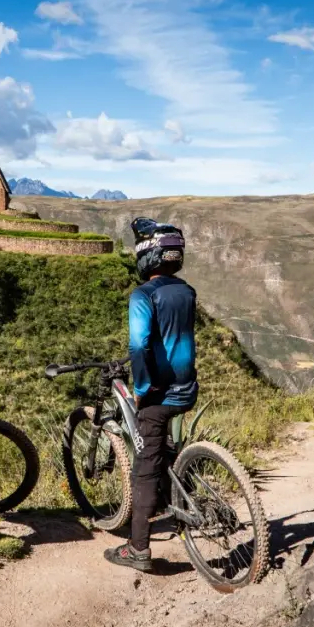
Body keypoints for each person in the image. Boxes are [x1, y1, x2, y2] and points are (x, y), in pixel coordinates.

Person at [104, 217, 198, 572]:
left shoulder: (144, 295)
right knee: (163, 450)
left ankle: (138, 549)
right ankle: (174, 500)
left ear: (145, 257)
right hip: (187, 388)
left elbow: (139, 345)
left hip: (159, 395)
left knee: (143, 467)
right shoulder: (186, 292)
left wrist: (142, 390)